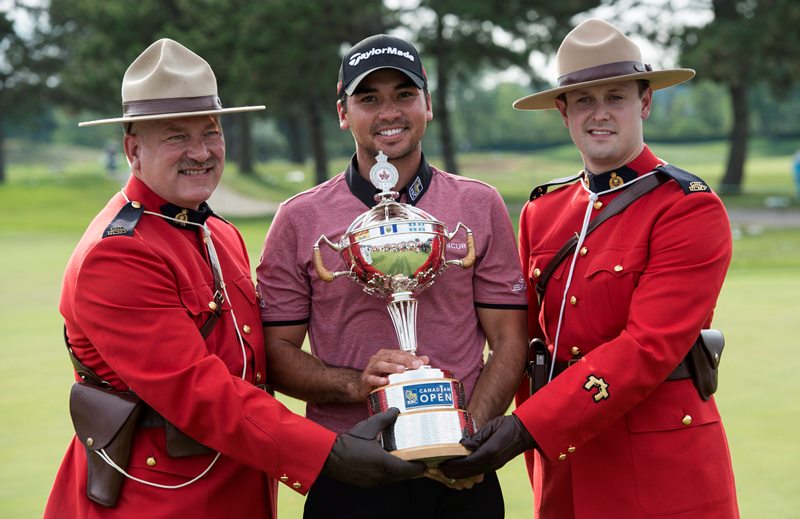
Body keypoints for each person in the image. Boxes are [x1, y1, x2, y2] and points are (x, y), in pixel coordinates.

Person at [44, 38, 424, 519]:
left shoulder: (217, 232)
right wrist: (329, 454)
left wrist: (358, 383)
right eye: (176, 136)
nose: (200, 152)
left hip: (240, 485)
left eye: (211, 132)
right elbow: (202, 395)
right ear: (132, 148)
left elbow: (256, 361)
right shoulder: (118, 253)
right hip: (158, 499)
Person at [440, 18, 740, 518]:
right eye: (583, 100)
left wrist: (526, 428)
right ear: (563, 112)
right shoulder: (544, 210)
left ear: (645, 103)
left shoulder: (686, 207)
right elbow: (521, 338)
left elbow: (648, 347)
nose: (599, 114)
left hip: (658, 471)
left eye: (616, 97)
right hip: (562, 466)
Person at [255, 34, 528, 518]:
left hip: (462, 477)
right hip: (349, 468)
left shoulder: (478, 205)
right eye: (368, 98)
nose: (389, 112)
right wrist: (353, 384)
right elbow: (274, 356)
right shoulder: (299, 218)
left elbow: (509, 341)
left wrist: (466, 443)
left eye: (404, 94)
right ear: (343, 113)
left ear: (428, 104)